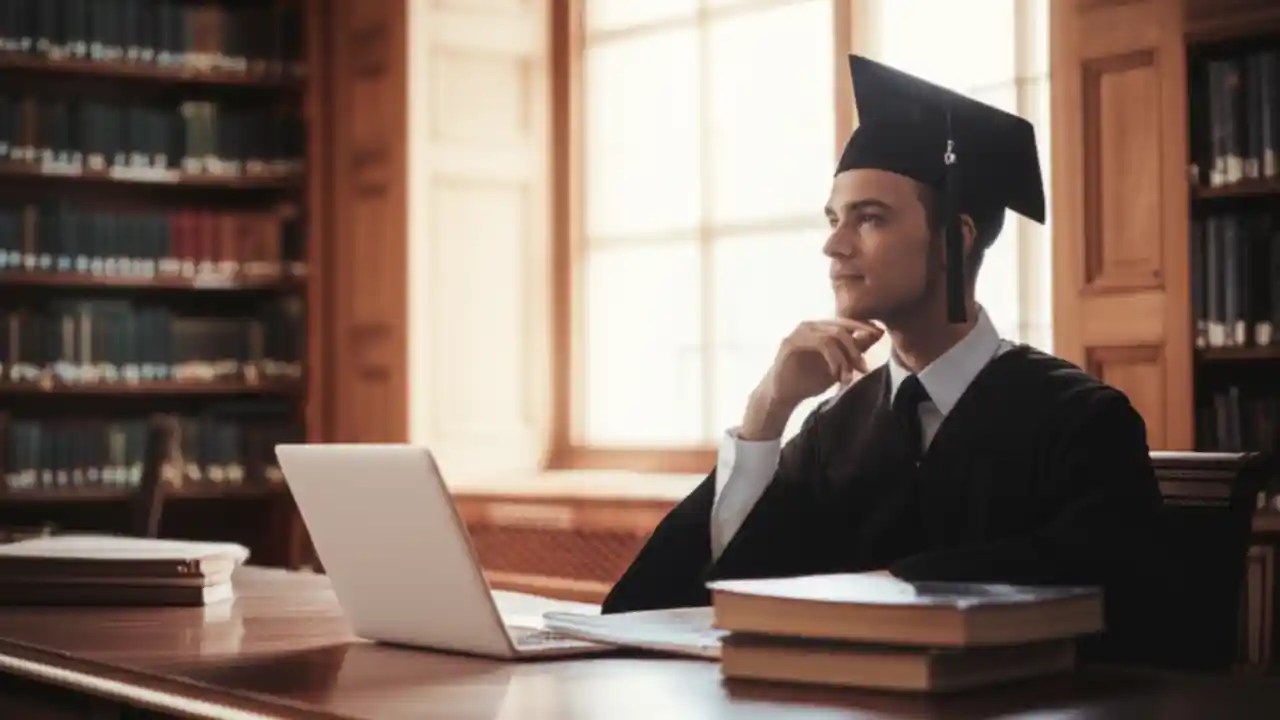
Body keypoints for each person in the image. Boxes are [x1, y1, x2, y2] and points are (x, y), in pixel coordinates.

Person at [601, 56, 1172, 663]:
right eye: (833, 220)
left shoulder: (1080, 423)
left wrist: (881, 590)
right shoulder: (834, 431)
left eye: (869, 218)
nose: (834, 245)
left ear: (955, 238)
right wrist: (766, 412)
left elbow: (1116, 604)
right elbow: (685, 598)